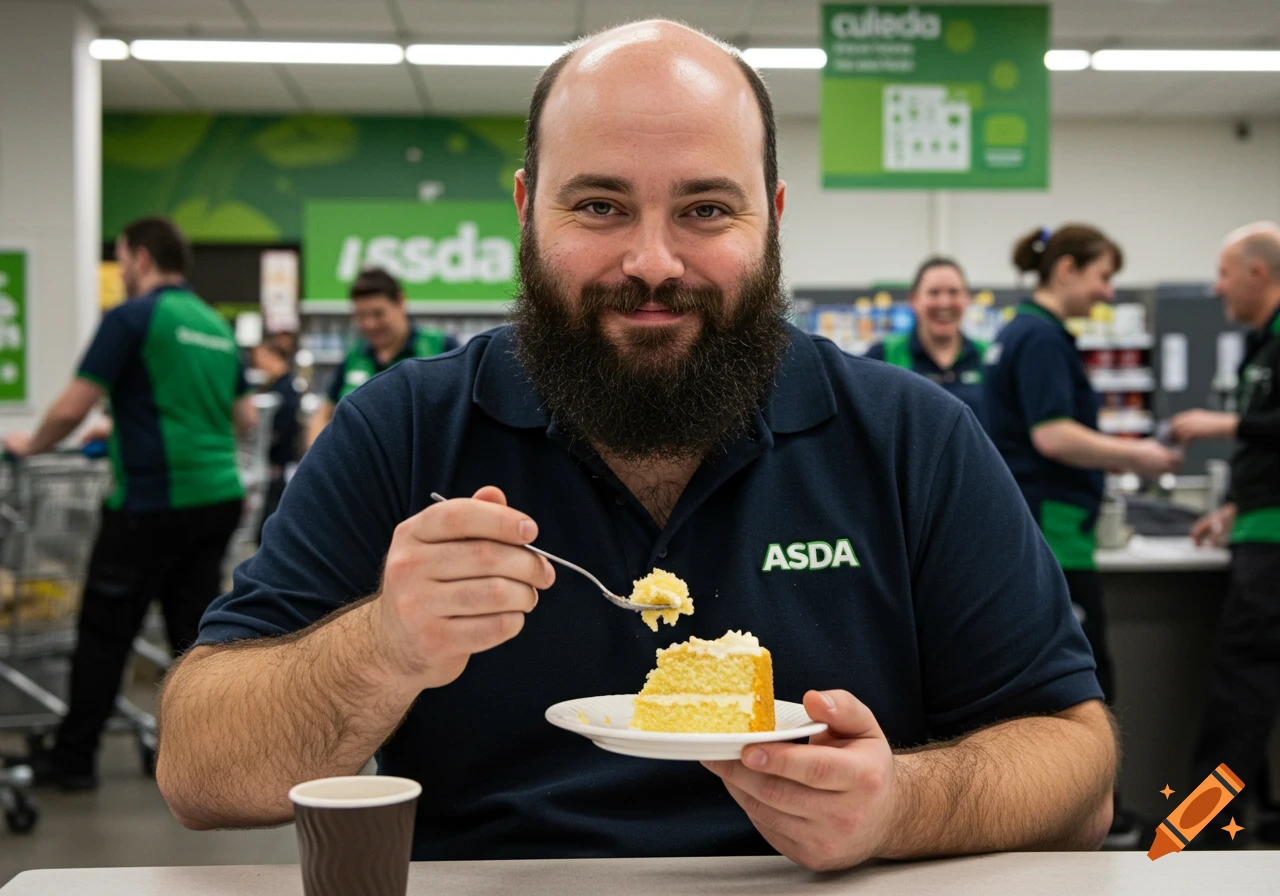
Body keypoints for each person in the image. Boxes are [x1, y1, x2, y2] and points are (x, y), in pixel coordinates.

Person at [156, 22, 1116, 871]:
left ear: (771, 217)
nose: (653, 263)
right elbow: (200, 774)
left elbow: (1081, 767)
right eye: (600, 206)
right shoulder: (404, 429)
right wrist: (382, 645)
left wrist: (903, 806)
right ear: (529, 209)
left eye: (705, 209)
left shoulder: (911, 437)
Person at [3, 217, 256, 790]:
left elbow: (70, 407)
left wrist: (31, 443)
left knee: (104, 633)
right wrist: (128, 425)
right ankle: (205, 757)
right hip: (217, 498)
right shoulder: (215, 325)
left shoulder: (133, 318)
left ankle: (74, 760)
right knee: (193, 636)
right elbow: (242, 418)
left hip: (151, 501)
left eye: (121, 262)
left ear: (140, 259)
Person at [983, 223, 1180, 848]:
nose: (1107, 290)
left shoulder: (1017, 332)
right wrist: (1137, 456)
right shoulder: (1040, 338)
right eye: (1101, 274)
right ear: (1064, 268)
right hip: (1054, 531)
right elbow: (1052, 436)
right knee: (1083, 688)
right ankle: (1099, 822)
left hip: (1043, 525)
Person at [1170, 222, 1280, 844]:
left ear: (1258, 274)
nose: (1217, 288)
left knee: (1239, 693)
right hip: (1259, 529)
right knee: (1247, 688)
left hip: (1274, 551)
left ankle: (1198, 835)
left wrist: (1227, 423)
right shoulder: (1261, 346)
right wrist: (1239, 504)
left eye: (1224, 273)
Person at [303, 268, 455, 449]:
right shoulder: (354, 356)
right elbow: (324, 412)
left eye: (378, 313)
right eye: (361, 316)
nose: (369, 324)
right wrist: (316, 455)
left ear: (400, 301)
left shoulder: (441, 347)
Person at [864, 257, 987, 423]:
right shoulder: (883, 355)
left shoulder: (988, 356)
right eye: (934, 293)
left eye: (953, 292)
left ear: (967, 298)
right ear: (914, 301)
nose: (944, 303)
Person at [251, 334, 301, 543]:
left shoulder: (285, 389)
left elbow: (283, 430)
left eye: (261, 357)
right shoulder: (273, 386)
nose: (257, 363)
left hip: (277, 467)